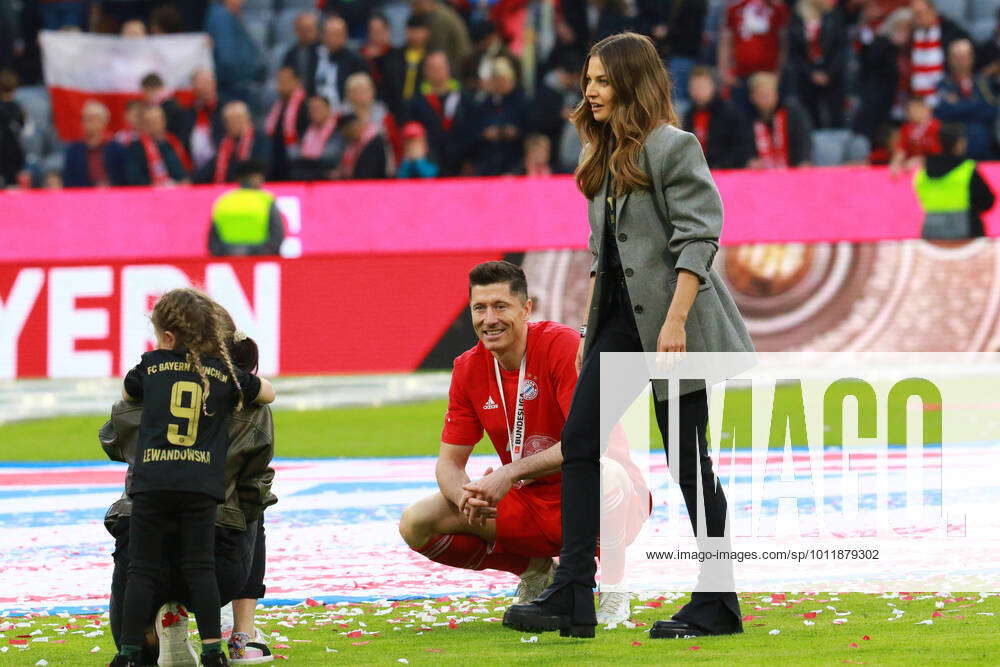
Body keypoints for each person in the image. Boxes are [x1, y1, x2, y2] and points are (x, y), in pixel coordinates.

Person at [503, 32, 753, 640]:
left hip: (674, 327)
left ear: (632, 83)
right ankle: (573, 594)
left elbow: (699, 236)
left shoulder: (674, 146)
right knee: (580, 445)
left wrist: (673, 323)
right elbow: (606, 258)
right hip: (616, 326)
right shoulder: (599, 156)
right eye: (587, 79)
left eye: (602, 79)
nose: (590, 89)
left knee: (689, 464)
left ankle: (718, 603)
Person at [396, 261, 578, 608]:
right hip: (525, 499)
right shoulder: (468, 367)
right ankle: (534, 568)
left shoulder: (561, 345)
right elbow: (449, 462)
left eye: (500, 306)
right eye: (479, 308)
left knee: (613, 482)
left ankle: (616, 587)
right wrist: (467, 498)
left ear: (526, 309)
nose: (488, 319)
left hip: (586, 493)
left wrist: (508, 474)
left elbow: (583, 444)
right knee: (416, 523)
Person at [110, 288, 276, 667]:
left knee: (139, 557)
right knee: (253, 499)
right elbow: (266, 398)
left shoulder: (148, 377)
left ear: (168, 337)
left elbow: (112, 438)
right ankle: (237, 639)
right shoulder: (238, 393)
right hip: (216, 552)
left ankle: (143, 640)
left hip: (147, 528)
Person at [915, 122, 996, 239]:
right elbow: (987, 201)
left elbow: (920, 196)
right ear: (959, 144)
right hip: (967, 232)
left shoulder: (922, 172)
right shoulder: (966, 169)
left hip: (932, 233)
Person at [405, 50, 469, 175]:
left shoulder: (463, 98)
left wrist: (470, 159)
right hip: (427, 166)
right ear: (425, 71)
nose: (437, 71)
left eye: (440, 67)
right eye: (432, 68)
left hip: (460, 164)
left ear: (448, 68)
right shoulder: (416, 101)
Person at [934, 39, 999, 161]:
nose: (960, 62)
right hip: (952, 154)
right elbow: (942, 113)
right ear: (949, 59)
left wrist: (958, 105)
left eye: (964, 57)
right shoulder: (942, 85)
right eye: (956, 57)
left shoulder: (984, 83)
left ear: (972, 58)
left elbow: (991, 110)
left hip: (984, 153)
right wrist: (976, 106)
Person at [787, 0, 848, 129]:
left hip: (832, 76)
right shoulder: (797, 17)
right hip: (807, 77)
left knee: (835, 115)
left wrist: (829, 73)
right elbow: (795, 52)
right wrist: (810, 73)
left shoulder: (834, 15)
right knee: (811, 116)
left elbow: (841, 48)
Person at [209, 159, 285, 256]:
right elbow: (277, 234)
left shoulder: (224, 201)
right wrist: (263, 254)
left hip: (228, 257)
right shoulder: (265, 199)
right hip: (260, 258)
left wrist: (223, 256)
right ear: (256, 178)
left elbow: (213, 240)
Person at [682, 66, 751, 169]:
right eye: (694, 87)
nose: (697, 92)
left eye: (701, 87)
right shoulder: (689, 115)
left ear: (713, 87)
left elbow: (740, 147)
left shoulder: (729, 113)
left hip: (725, 172)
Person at [746, 71, 813, 168]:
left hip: (793, 168)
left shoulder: (792, 113)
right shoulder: (747, 118)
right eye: (761, 96)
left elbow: (804, 140)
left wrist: (803, 160)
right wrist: (750, 160)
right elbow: (744, 147)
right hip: (761, 172)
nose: (766, 100)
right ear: (752, 97)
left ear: (776, 95)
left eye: (768, 95)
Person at [909, 0, 969, 102]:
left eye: (921, 13)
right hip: (917, 99)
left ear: (933, 11)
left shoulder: (949, 30)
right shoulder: (910, 35)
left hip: (946, 95)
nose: (918, 18)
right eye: (915, 14)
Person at [204, 0, 261, 107]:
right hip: (232, 87)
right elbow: (227, 57)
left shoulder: (229, 15)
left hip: (236, 85)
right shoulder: (221, 16)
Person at [198, 101, 269, 184]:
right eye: (230, 121)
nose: (234, 124)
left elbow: (261, 169)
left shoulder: (260, 141)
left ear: (247, 119)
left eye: (238, 119)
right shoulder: (224, 145)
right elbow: (208, 169)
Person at [62, 99, 127, 187]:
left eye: (91, 119)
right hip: (83, 196)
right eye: (84, 119)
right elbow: (68, 180)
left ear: (103, 122)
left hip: (113, 195)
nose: (86, 123)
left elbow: (124, 179)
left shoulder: (116, 149)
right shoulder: (73, 150)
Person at [309, 15, 367, 113]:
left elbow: (361, 90)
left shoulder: (354, 60)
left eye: (338, 34)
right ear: (323, 36)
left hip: (345, 113)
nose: (333, 38)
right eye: (330, 34)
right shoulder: (314, 56)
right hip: (317, 113)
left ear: (345, 36)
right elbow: (309, 86)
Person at [124, 105, 190, 186]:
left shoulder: (171, 143)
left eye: (157, 120)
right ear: (144, 124)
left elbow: (181, 171)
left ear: (164, 121)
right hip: (149, 194)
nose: (155, 124)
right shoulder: (135, 148)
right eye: (151, 121)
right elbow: (135, 179)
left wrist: (183, 181)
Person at [264, 66, 309, 181]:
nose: (281, 84)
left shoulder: (305, 105)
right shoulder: (277, 106)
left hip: (296, 161)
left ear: (296, 82)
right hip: (277, 159)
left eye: (286, 80)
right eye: (279, 80)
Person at [410, 0, 471, 76]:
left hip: (455, 63)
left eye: (415, 5)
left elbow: (438, 49)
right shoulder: (440, 11)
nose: (413, 10)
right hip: (454, 60)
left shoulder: (439, 19)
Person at [290, 95, 343, 180]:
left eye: (318, 108)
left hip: (327, 175)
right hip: (307, 174)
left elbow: (331, 156)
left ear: (328, 109)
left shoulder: (337, 130)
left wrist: (306, 158)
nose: (315, 112)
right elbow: (293, 154)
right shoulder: (306, 131)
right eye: (312, 109)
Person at [890, 96, 941, 174]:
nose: (913, 113)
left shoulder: (936, 127)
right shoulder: (907, 128)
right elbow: (901, 149)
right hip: (910, 168)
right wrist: (895, 163)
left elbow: (940, 155)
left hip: (933, 168)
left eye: (917, 109)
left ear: (927, 110)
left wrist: (921, 160)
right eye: (910, 110)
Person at [334, 112, 391, 179]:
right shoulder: (353, 145)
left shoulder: (374, 142)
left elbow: (367, 172)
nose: (347, 135)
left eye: (349, 129)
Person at [0, 68, 26, 188]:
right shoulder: (18, 109)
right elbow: (21, 128)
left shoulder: (18, 109)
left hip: (10, 154)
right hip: (12, 156)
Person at [282, 12, 320, 82]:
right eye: (303, 29)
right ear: (296, 30)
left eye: (309, 29)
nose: (306, 33)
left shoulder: (324, 52)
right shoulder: (290, 54)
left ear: (316, 30)